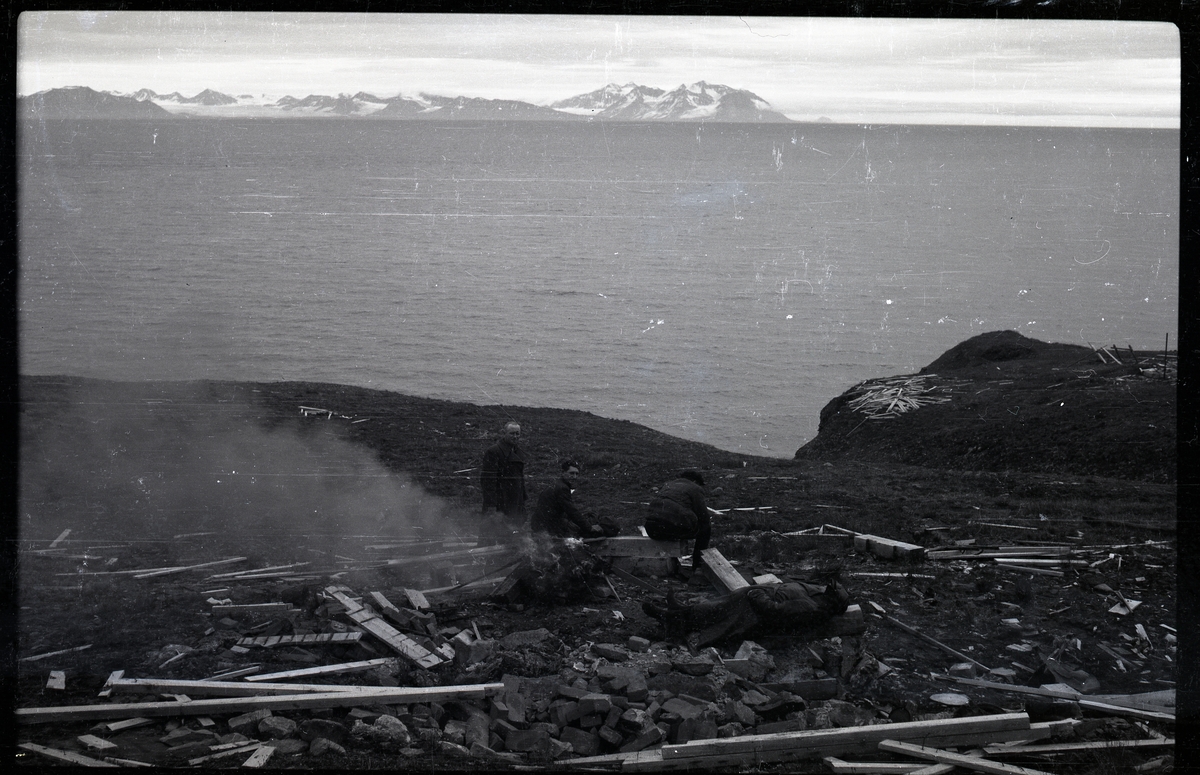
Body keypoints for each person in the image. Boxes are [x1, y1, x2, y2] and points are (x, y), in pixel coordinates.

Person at [642, 578, 850, 648]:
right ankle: (677, 611)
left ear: (830, 600)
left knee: (712, 613)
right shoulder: (814, 596)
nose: (825, 588)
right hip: (750, 601)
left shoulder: (810, 608)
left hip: (750, 613)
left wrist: (757, 594)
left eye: (828, 591)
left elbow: (773, 611)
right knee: (712, 608)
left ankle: (670, 619)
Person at [644, 470, 711, 570]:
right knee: (705, 528)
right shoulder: (695, 488)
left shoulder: (668, 485)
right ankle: (698, 567)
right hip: (673, 528)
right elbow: (703, 517)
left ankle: (673, 563)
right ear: (695, 481)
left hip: (652, 530)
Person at [479, 421, 527, 543]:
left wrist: (523, 499)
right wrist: (491, 505)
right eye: (512, 434)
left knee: (510, 533)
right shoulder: (494, 451)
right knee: (492, 533)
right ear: (504, 434)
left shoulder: (518, 452)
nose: (515, 436)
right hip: (500, 501)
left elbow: (520, 478)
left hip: (514, 500)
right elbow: (488, 481)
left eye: (517, 434)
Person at [530, 460, 604, 539]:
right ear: (563, 472)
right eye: (571, 473)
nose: (575, 477)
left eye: (577, 474)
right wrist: (589, 527)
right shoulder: (562, 488)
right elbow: (571, 511)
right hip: (548, 527)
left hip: (540, 524)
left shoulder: (556, 484)